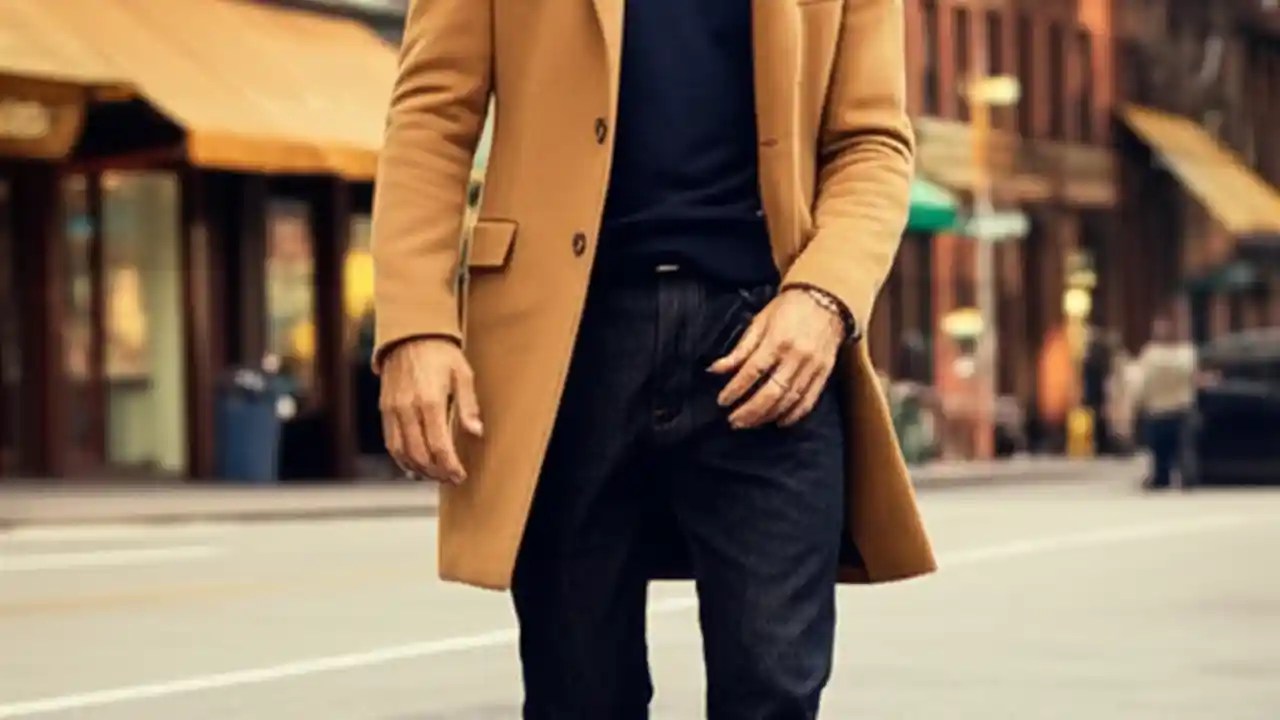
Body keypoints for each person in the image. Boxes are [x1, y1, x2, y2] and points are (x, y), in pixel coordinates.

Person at [370, 1, 936, 717]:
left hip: (770, 337)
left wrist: (824, 297)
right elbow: (431, 117)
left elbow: (871, 140)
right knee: (577, 692)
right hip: (563, 343)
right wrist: (416, 326)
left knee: (773, 686)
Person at [1136, 313, 1197, 490]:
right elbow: (1192, 378)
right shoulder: (1187, 353)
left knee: (1161, 448)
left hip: (1159, 409)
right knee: (1181, 448)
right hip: (1179, 408)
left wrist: (1139, 403)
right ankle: (1184, 476)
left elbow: (1142, 382)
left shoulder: (1149, 355)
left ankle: (1162, 477)